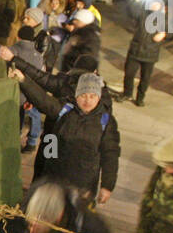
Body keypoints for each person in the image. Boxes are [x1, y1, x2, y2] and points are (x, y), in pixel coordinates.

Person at [14, 69, 120, 205]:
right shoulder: (65, 109)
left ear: (99, 98)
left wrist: (107, 186)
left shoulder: (106, 121)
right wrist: (23, 80)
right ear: (76, 96)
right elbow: (43, 100)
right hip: (55, 179)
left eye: (92, 96)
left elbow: (111, 154)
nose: (87, 101)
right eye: (83, 95)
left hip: (83, 186)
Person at [117, 0, 167, 106]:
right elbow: (130, 10)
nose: (154, 5)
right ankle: (127, 93)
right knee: (129, 73)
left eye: (157, 3)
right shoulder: (143, 13)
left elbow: (171, 32)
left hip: (150, 53)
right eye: (153, 2)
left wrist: (163, 34)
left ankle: (140, 98)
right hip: (136, 50)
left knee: (145, 78)